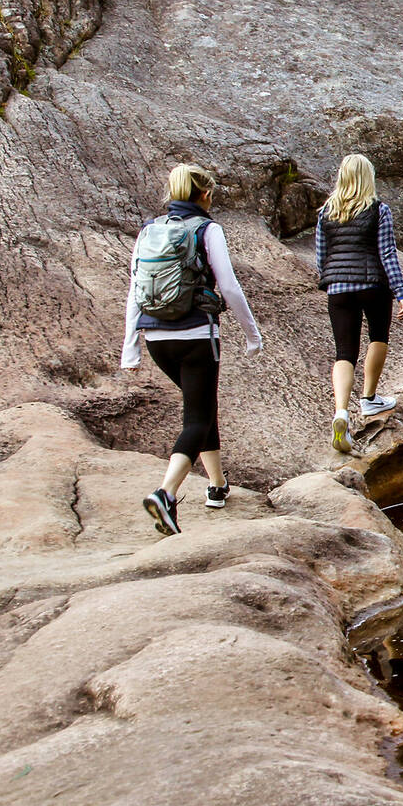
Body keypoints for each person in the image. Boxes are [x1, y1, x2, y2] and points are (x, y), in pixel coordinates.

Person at [120, 163, 263, 535]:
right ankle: (166, 493)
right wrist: (252, 335)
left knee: (203, 406)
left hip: (156, 341)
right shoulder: (207, 229)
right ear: (205, 195)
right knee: (197, 417)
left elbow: (136, 290)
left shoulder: (150, 230)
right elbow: (229, 287)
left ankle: (217, 485)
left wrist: (130, 349)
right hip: (197, 336)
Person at [316, 153, 403, 453]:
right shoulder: (379, 210)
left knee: (344, 352)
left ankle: (341, 412)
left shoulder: (326, 213)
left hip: (338, 288)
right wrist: (400, 291)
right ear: (368, 178)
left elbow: (321, 255)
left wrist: (331, 278)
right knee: (378, 336)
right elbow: (387, 253)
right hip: (373, 286)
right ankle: (368, 400)